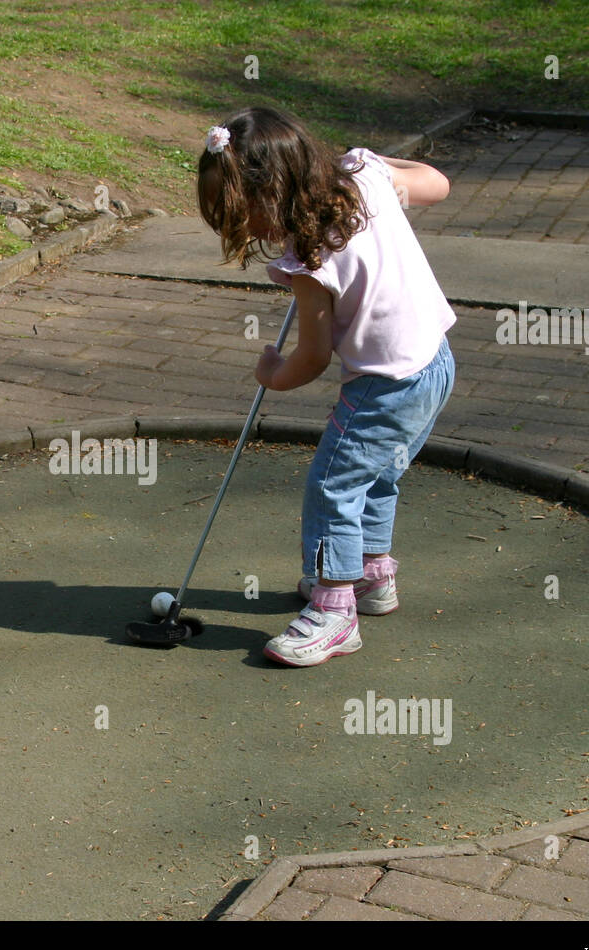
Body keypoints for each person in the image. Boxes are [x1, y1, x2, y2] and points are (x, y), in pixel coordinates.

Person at [198, 107, 456, 667]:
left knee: (332, 486)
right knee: (378, 474)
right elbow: (436, 184)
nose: (244, 228)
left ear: (277, 192)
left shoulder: (312, 262)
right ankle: (371, 575)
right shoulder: (363, 177)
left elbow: (312, 358)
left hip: (385, 387)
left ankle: (335, 611)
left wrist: (272, 373)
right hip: (435, 362)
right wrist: (378, 163)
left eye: (245, 213)